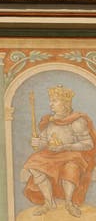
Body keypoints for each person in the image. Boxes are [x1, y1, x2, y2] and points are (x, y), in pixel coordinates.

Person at [22, 84, 96, 217]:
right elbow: (43, 144)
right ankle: (49, 201)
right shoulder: (50, 122)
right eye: (51, 101)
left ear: (65, 103)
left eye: (55, 101)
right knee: (33, 164)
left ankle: (69, 203)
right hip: (51, 155)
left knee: (71, 168)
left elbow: (88, 144)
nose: (51, 104)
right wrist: (37, 143)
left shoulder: (77, 121)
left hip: (71, 155)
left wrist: (65, 147)